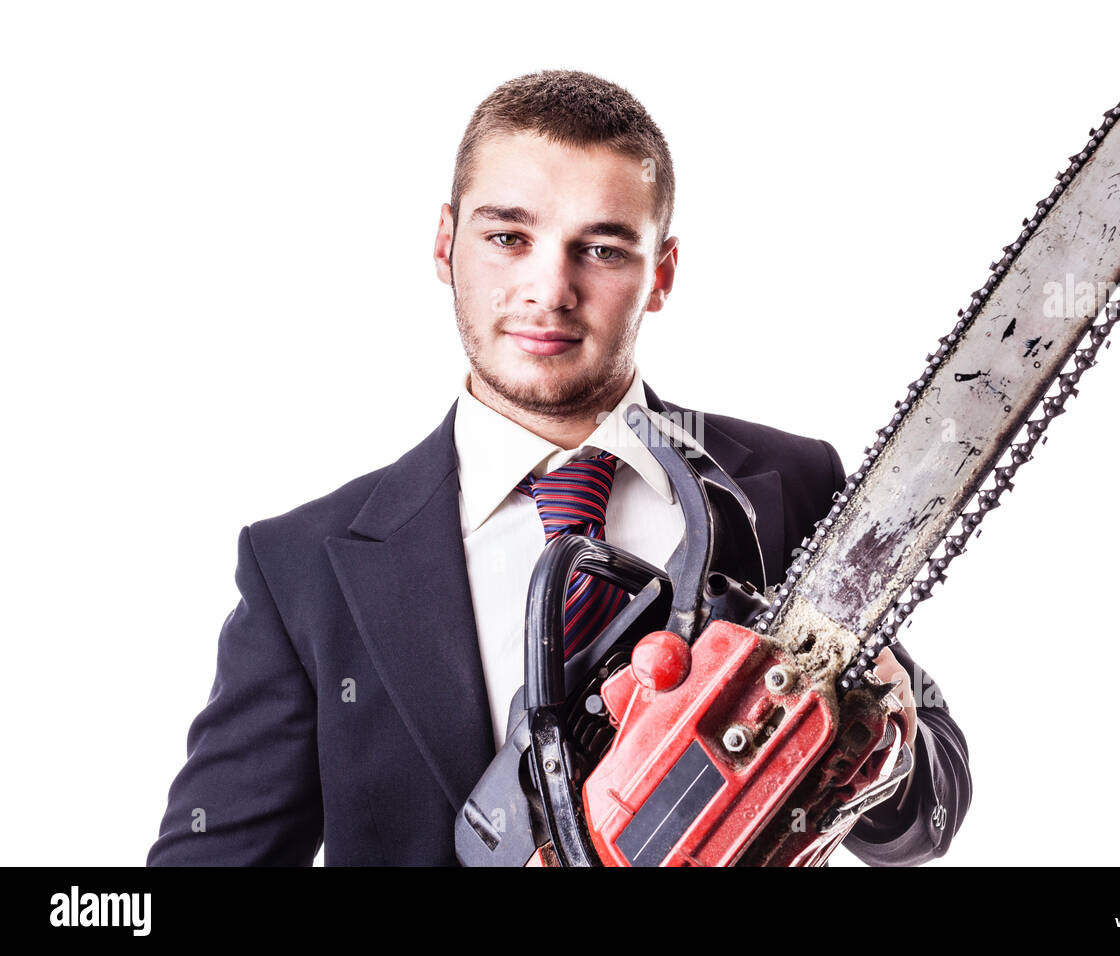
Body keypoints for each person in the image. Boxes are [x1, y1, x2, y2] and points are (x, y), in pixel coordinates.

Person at [147, 69, 970, 867]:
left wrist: (870, 752)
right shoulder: (302, 567)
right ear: (445, 243)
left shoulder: (786, 486)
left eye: (604, 249)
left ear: (662, 275)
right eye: (508, 238)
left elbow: (928, 813)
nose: (549, 289)